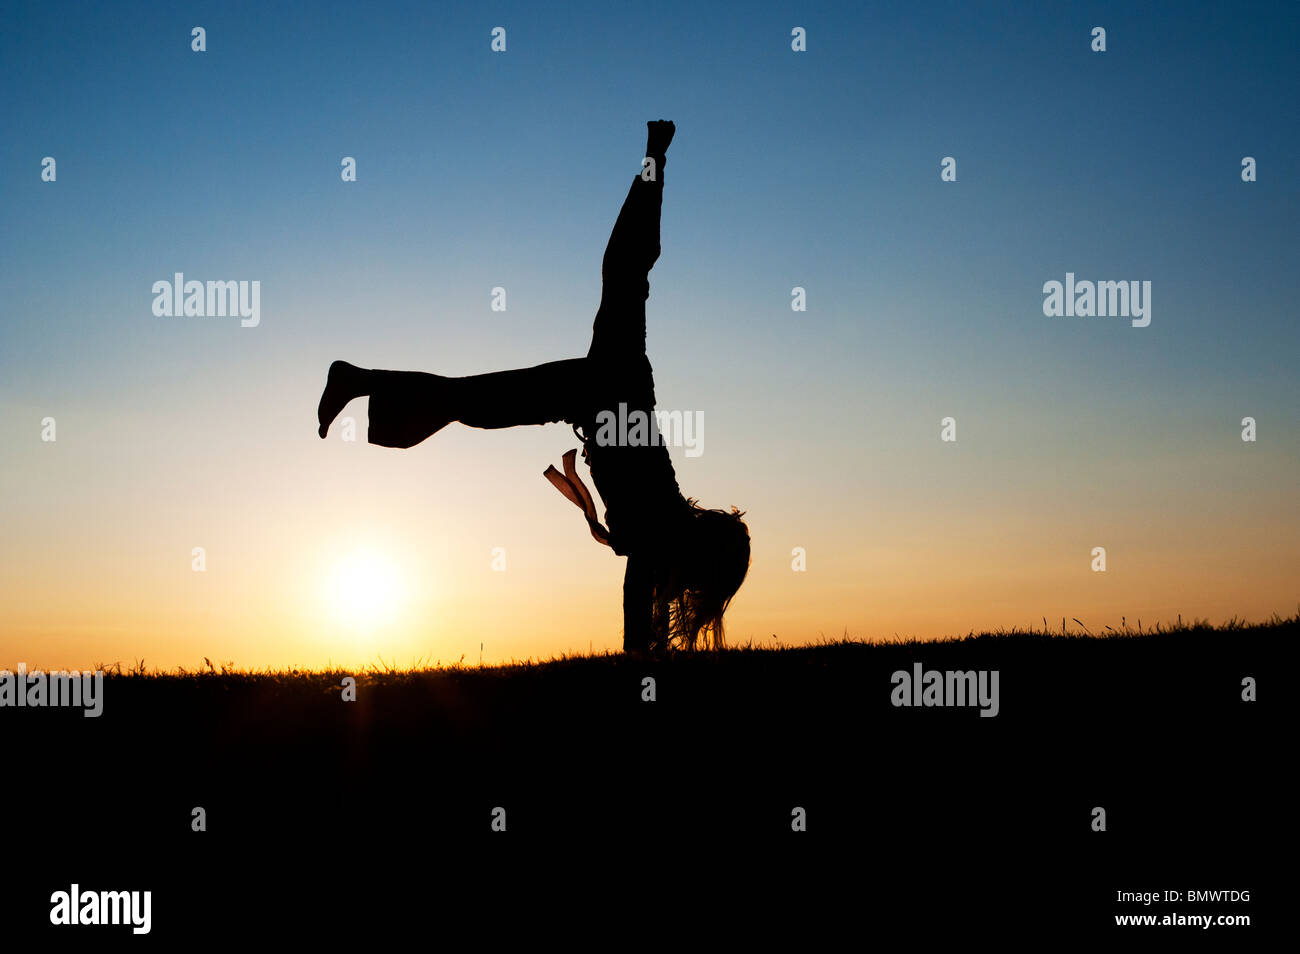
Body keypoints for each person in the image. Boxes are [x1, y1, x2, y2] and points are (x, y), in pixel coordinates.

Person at [316, 121, 750, 653]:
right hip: (611, 386)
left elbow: (645, 595)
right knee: (622, 270)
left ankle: (360, 383)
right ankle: (654, 159)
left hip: (600, 393)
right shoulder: (663, 533)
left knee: (469, 398)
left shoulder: (664, 534)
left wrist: (645, 654)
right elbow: (643, 596)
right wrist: (643, 656)